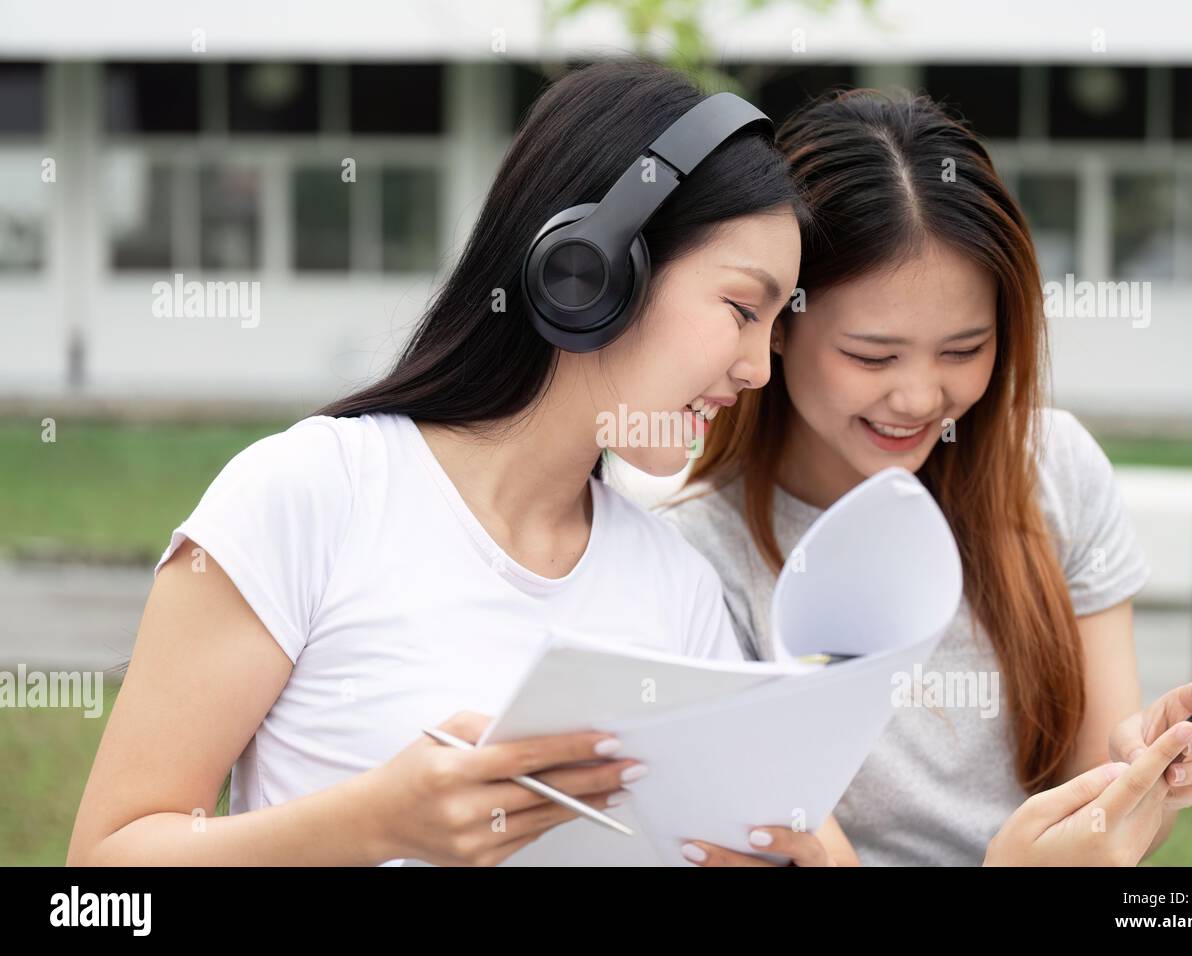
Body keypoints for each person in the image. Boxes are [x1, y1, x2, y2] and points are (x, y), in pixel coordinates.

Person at [66, 60, 858, 867]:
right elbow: (99, 884)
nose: (759, 369)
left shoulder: (675, 587)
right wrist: (374, 824)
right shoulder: (310, 496)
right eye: (740, 309)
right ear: (592, 269)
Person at [661, 88, 1192, 866]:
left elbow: (1100, 816)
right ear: (776, 325)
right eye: (872, 355)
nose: (920, 398)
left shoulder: (1054, 472)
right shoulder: (695, 555)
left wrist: (1145, 781)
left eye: (964, 351)